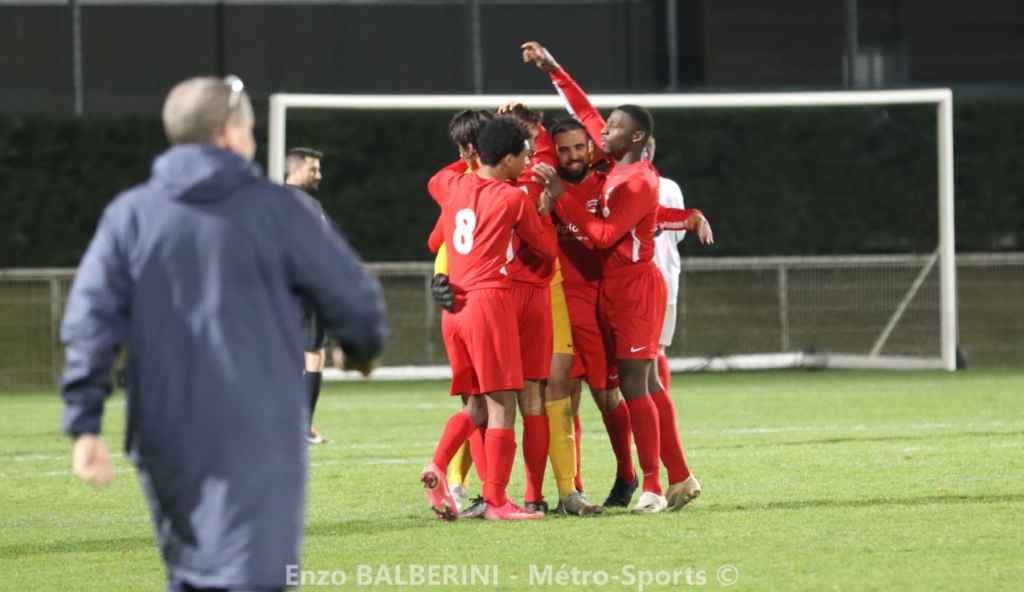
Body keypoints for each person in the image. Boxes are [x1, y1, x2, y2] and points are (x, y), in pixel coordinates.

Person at [61, 76, 388, 591]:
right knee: (258, 577)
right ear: (229, 133)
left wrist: (84, 426)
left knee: (192, 573)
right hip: (257, 424)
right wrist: (363, 350)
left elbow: (90, 322)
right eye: (250, 128)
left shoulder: (131, 214)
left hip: (162, 428)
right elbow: (359, 304)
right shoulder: (279, 209)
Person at [525, 41, 712, 514]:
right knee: (643, 384)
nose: (599, 131)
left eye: (609, 129)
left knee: (636, 385)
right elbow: (586, 113)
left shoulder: (636, 179)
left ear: (632, 140)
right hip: (613, 288)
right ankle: (679, 476)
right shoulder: (614, 165)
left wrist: (559, 197)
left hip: (633, 288)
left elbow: (605, 235)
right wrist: (554, 70)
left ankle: (650, 483)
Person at [421, 116, 557, 521]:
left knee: (476, 405)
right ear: (509, 158)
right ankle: (496, 502)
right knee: (502, 408)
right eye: (524, 156)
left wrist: (470, 156)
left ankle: (439, 465)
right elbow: (547, 248)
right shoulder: (513, 198)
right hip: (489, 303)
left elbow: (438, 180)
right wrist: (547, 208)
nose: (528, 162)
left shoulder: (450, 185)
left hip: (454, 309)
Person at [284, 146, 333, 444]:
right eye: (313, 169)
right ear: (295, 170)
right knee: (313, 355)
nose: (318, 174)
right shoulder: (307, 206)